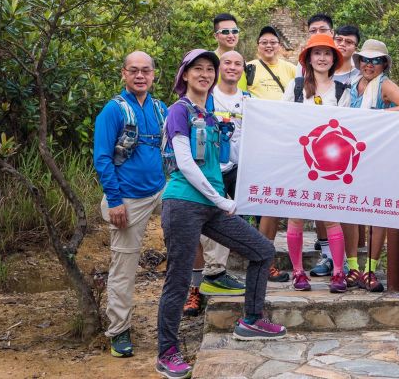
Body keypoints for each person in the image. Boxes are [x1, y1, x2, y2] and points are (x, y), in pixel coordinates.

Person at [156, 49, 286, 379]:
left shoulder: (210, 115)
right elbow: (185, 163)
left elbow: (223, 161)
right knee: (179, 277)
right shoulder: (178, 111)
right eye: (197, 69)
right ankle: (167, 352)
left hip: (211, 205)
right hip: (184, 203)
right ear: (184, 75)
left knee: (262, 250)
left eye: (209, 69)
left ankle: (252, 320)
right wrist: (221, 199)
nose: (205, 74)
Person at [93, 51, 167, 358]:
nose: (140, 76)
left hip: (161, 190)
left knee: (204, 218)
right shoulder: (113, 111)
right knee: (123, 267)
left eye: (146, 71)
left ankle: (211, 275)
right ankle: (119, 331)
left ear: (153, 75)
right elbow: (102, 158)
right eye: (134, 71)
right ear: (124, 73)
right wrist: (115, 201)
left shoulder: (160, 108)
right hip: (127, 198)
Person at [342, 39, 399, 293]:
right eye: (365, 59)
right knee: (349, 210)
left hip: (378, 155)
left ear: (383, 64)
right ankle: (352, 266)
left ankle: (370, 268)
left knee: (375, 211)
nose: (369, 65)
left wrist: (378, 117)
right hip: (351, 156)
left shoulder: (384, 85)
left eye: (375, 61)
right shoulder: (353, 84)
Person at [281, 33, 351, 293]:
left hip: (329, 162)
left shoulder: (342, 91)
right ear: (308, 58)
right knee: (296, 217)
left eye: (327, 53)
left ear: (334, 59)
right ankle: (298, 272)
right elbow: (281, 119)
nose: (322, 58)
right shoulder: (296, 87)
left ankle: (337, 273)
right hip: (299, 160)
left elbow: (345, 128)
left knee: (332, 217)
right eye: (317, 53)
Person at [182, 51, 248, 318]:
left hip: (235, 169)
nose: (232, 68)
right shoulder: (202, 98)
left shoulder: (249, 100)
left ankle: (216, 274)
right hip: (204, 171)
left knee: (226, 224)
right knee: (197, 232)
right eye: (227, 63)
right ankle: (195, 288)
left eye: (238, 64)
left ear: (244, 69)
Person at [246, 25, 297, 283]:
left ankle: (266, 258)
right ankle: (256, 254)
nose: (268, 46)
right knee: (260, 200)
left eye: (273, 42)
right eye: (264, 42)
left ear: (280, 45)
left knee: (274, 202)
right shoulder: (249, 68)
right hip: (257, 142)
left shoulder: (290, 69)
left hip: (286, 141)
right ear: (258, 45)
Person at [212, 12, 247, 90]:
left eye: (234, 31)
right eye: (225, 32)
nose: (231, 35)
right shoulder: (210, 61)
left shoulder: (243, 63)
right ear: (216, 36)